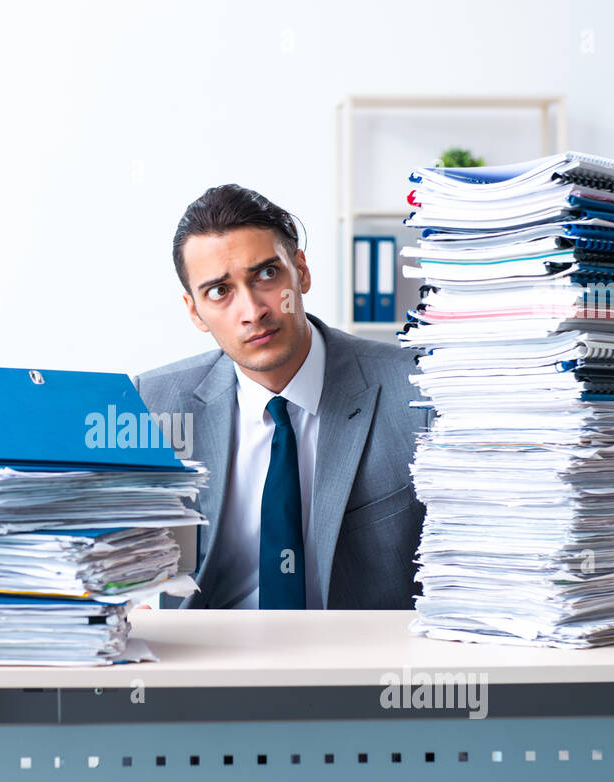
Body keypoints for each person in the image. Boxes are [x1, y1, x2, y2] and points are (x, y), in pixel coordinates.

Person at [135, 184, 428, 610]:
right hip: (206, 648)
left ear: (301, 272)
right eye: (219, 291)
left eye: (267, 275)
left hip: (360, 649)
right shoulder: (152, 404)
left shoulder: (419, 390)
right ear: (195, 311)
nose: (252, 311)